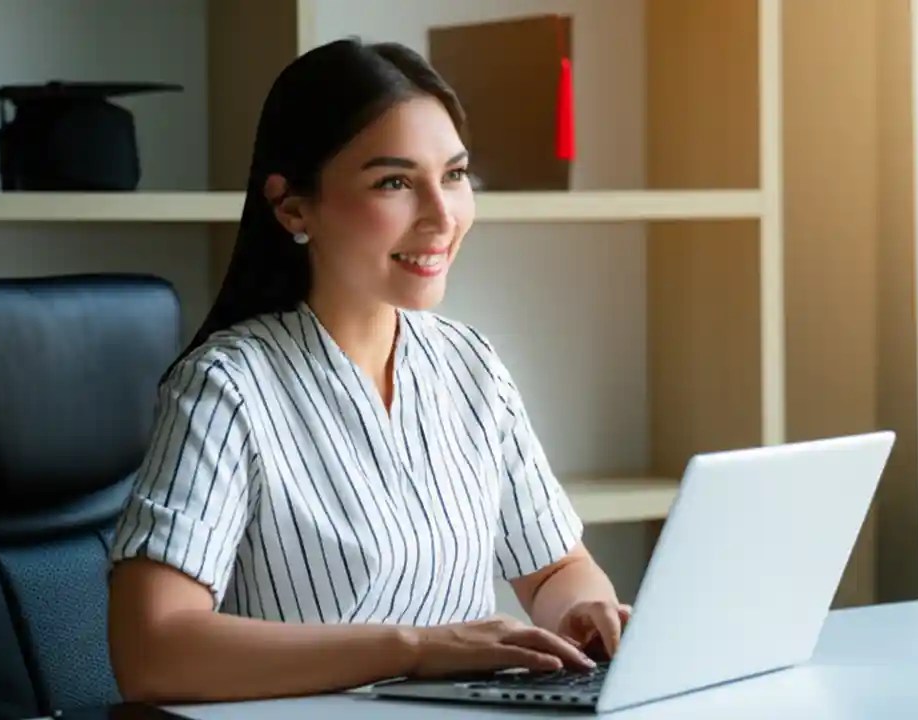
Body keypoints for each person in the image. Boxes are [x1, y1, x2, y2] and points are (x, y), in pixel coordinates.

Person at [105, 37, 629, 704]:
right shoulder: (226, 388)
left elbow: (555, 566)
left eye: (456, 175)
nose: (443, 216)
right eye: (395, 183)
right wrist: (413, 650)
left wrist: (582, 612)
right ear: (293, 206)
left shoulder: (470, 365)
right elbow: (153, 649)